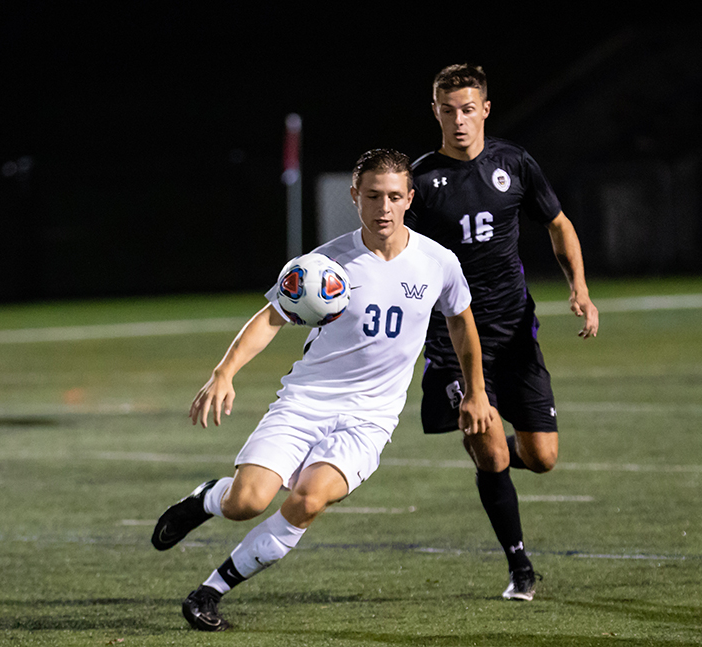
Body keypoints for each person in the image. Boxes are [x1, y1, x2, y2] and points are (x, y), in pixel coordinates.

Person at [151, 148, 494, 632]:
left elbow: (462, 323)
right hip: (305, 402)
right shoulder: (324, 264)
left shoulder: (438, 262)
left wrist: (476, 391)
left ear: (410, 198)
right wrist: (224, 372)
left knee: (308, 500)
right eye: (372, 196)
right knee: (246, 503)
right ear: (355, 197)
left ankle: (210, 592)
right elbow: (271, 317)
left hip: (370, 418)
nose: (383, 208)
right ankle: (206, 500)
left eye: (394, 196)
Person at [404, 63, 600, 601]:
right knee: (491, 456)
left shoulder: (513, 163)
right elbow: (395, 257)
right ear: (436, 113)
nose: (459, 121)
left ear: (485, 109)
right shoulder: (420, 183)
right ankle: (519, 566)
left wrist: (579, 288)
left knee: (542, 458)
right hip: (453, 342)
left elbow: (558, 224)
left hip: (515, 333)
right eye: (449, 111)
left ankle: (486, 442)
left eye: (469, 110)